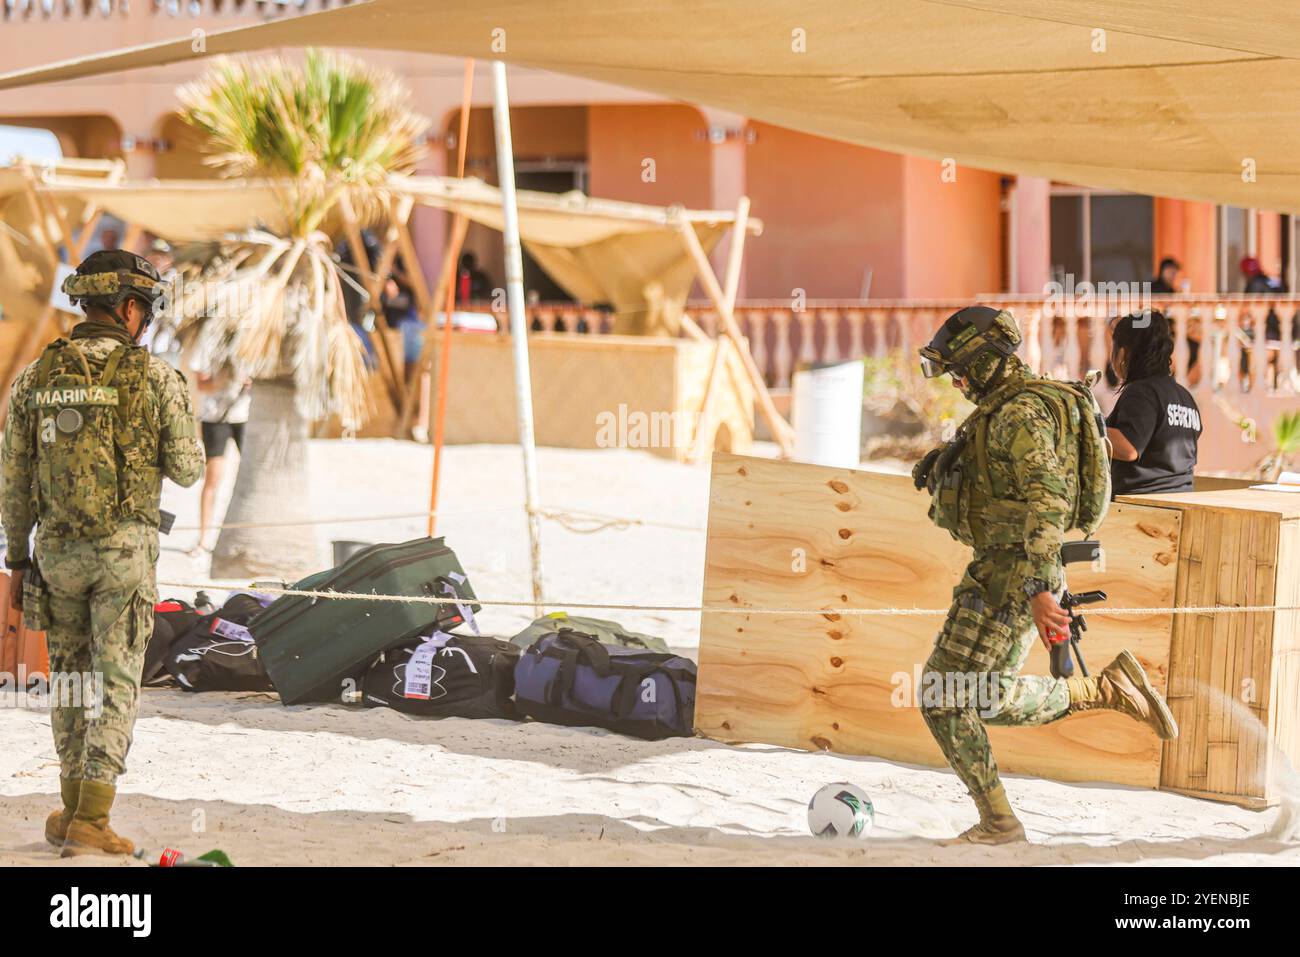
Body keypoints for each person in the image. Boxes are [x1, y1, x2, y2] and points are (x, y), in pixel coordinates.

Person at [911, 306, 1178, 845]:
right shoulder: (1015, 406)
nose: (959, 382)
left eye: (962, 370)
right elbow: (1018, 478)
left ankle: (1000, 824)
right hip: (1011, 568)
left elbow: (1048, 501)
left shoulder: (1021, 413)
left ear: (987, 360)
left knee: (942, 693)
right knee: (984, 696)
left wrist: (1037, 589)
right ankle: (1104, 689)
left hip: (1012, 574)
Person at [0, 250, 204, 856]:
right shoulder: (157, 378)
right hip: (124, 556)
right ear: (130, 309)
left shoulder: (35, 378)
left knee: (67, 680)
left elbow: (13, 480)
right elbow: (190, 470)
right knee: (115, 682)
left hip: (54, 555)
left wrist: (15, 560)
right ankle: (93, 817)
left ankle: (68, 810)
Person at [1106, 311, 1202, 495]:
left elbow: (1129, 447)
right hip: (1181, 498)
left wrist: (1085, 427)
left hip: (1142, 505)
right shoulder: (1185, 397)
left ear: (1124, 353)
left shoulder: (1141, 392)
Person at [191, 361, 251, 557]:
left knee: (252, 474)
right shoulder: (209, 344)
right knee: (213, 478)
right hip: (214, 417)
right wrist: (226, 379)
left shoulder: (250, 343)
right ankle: (203, 540)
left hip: (244, 416)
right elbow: (201, 384)